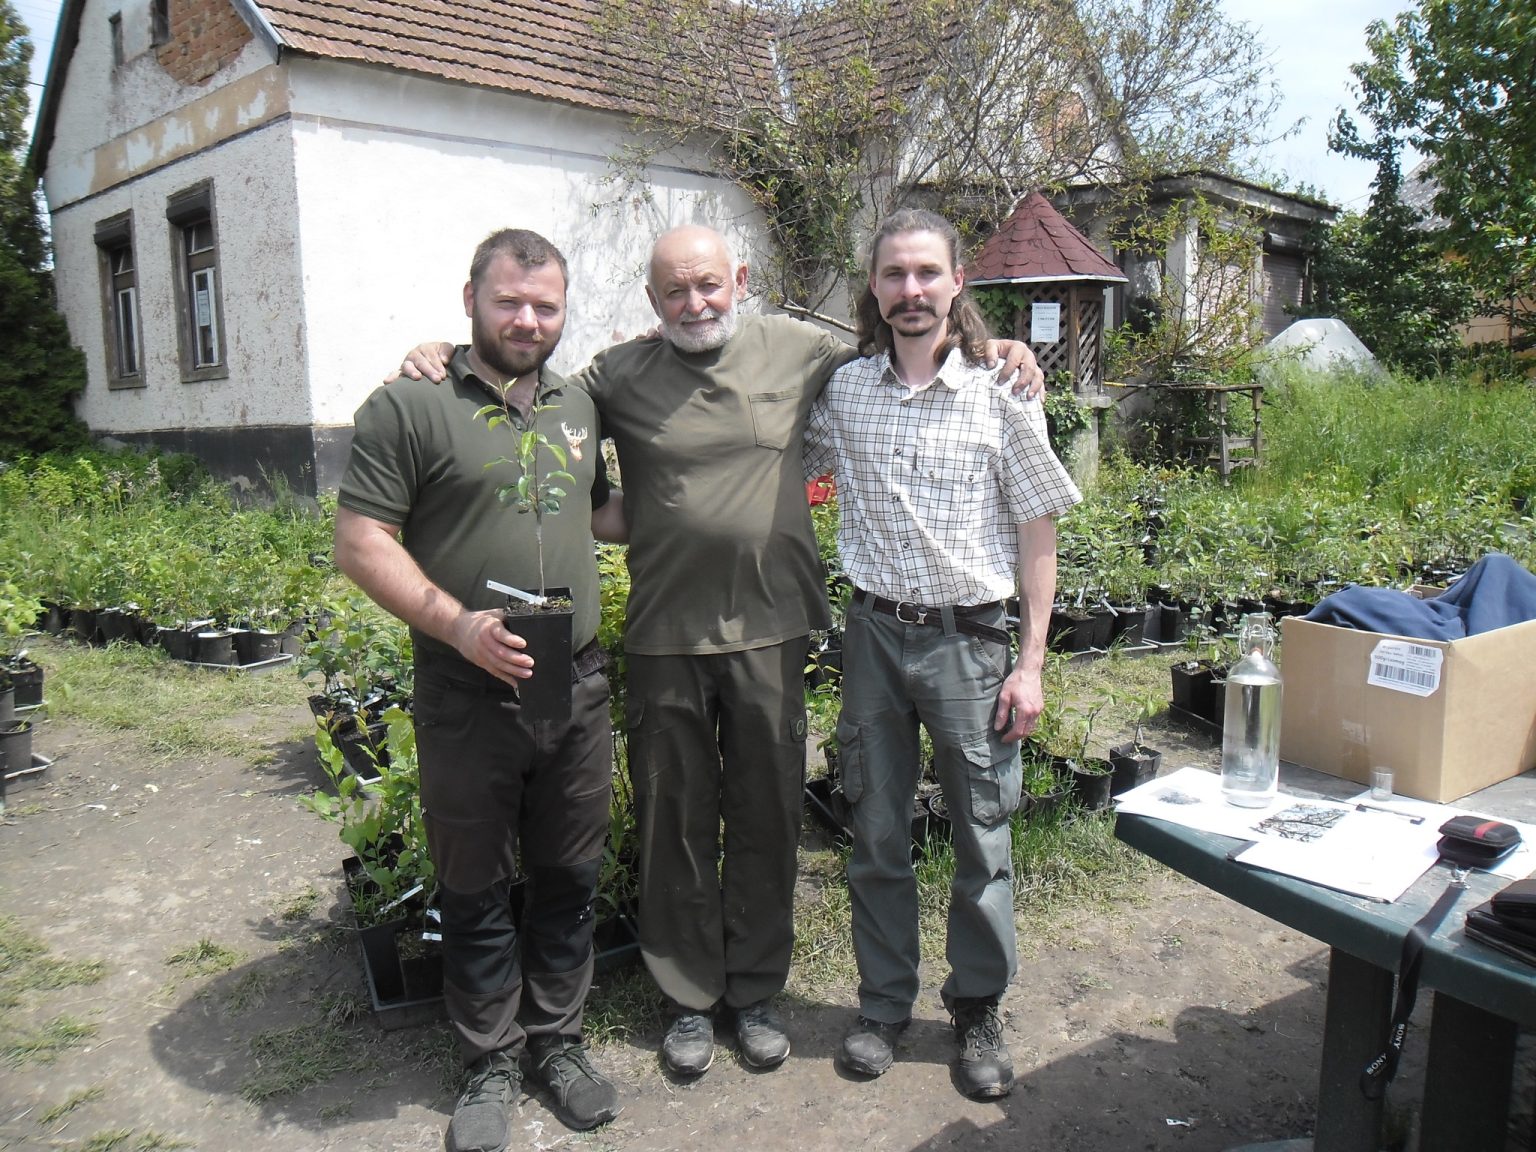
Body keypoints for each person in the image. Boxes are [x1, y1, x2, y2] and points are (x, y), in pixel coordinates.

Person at [396, 225, 1043, 1080]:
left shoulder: (801, 348)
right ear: (652, 300)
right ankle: (688, 999)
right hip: (666, 632)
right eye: (674, 291)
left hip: (774, 629)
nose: (694, 303)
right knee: (675, 822)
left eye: (709, 285)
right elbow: (531, 383)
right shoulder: (620, 376)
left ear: (739, 279)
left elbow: (908, 328)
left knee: (769, 816)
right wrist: (444, 352)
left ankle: (758, 992)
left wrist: (992, 341)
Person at [335, 228, 628, 1152]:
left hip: (573, 684)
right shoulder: (410, 405)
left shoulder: (578, 403)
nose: (528, 320)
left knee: (569, 873)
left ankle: (560, 1041)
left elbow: (601, 512)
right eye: (510, 301)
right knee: (473, 880)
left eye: (545, 305)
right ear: (471, 298)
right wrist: (457, 623)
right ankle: (490, 1058)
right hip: (467, 686)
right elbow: (361, 542)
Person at [802, 208, 1081, 1099]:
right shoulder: (845, 391)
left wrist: (1031, 665)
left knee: (981, 837)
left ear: (958, 282)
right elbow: (766, 429)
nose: (911, 291)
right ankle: (884, 1006)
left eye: (928, 274)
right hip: (875, 638)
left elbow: (1039, 537)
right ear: (874, 288)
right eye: (895, 275)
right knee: (875, 833)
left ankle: (977, 1009)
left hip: (971, 644)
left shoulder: (1004, 392)